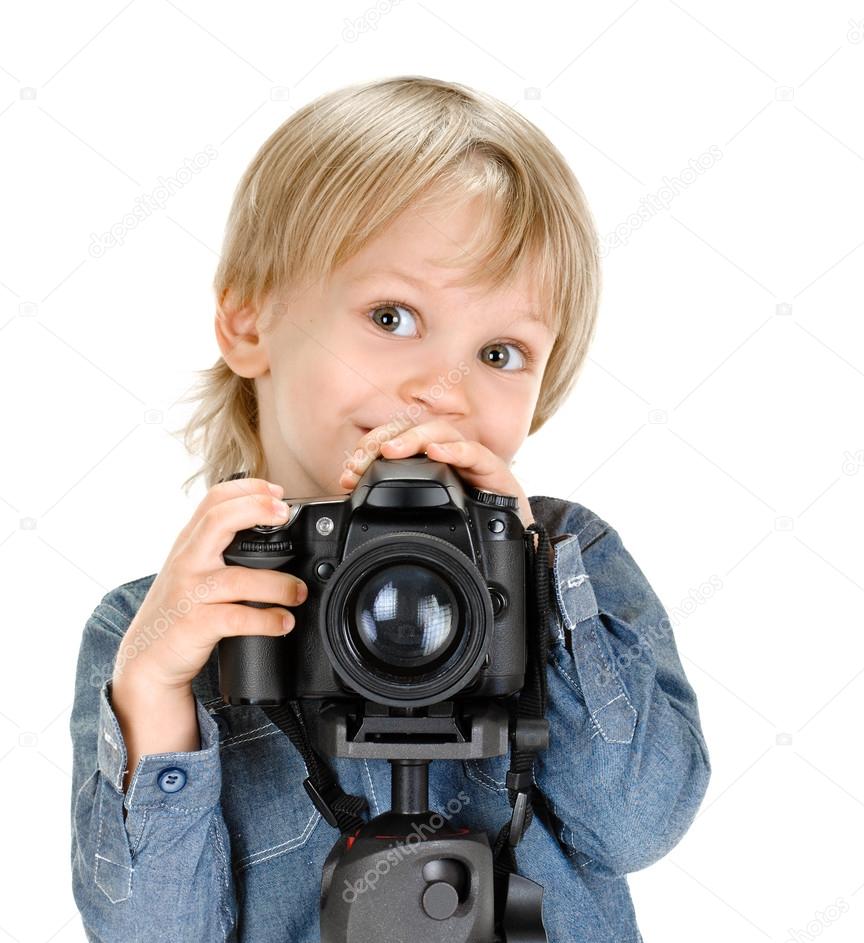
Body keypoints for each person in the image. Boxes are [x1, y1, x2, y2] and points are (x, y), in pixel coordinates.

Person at [69, 75, 710, 942]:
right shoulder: (164, 627)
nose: (441, 389)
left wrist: (532, 580)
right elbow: (156, 935)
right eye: (392, 315)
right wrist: (153, 692)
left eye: (500, 350)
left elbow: (639, 822)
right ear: (249, 321)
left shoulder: (565, 557)